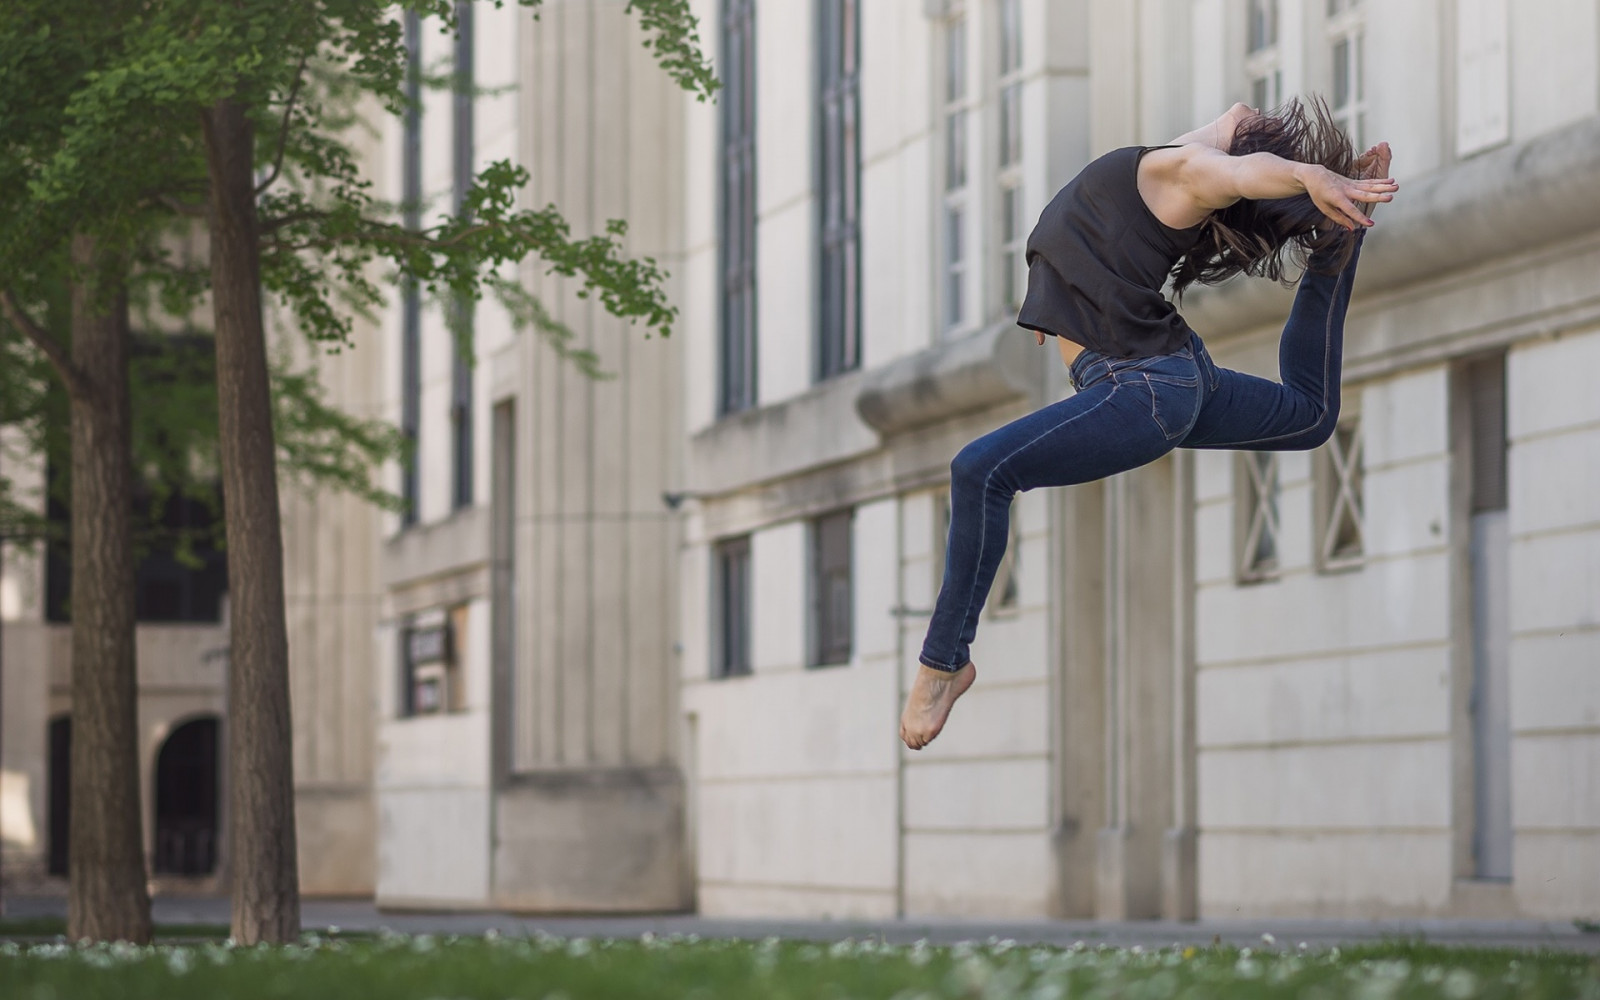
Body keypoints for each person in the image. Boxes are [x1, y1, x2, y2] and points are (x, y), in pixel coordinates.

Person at [900, 97, 1396, 751]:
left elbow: (1244, 177)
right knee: (1308, 416)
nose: (1242, 109)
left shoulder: (1192, 171)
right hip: (1166, 376)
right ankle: (1341, 239)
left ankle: (943, 663)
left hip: (1146, 389)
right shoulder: (1183, 153)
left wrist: (1308, 179)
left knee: (980, 470)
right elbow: (1231, 139)